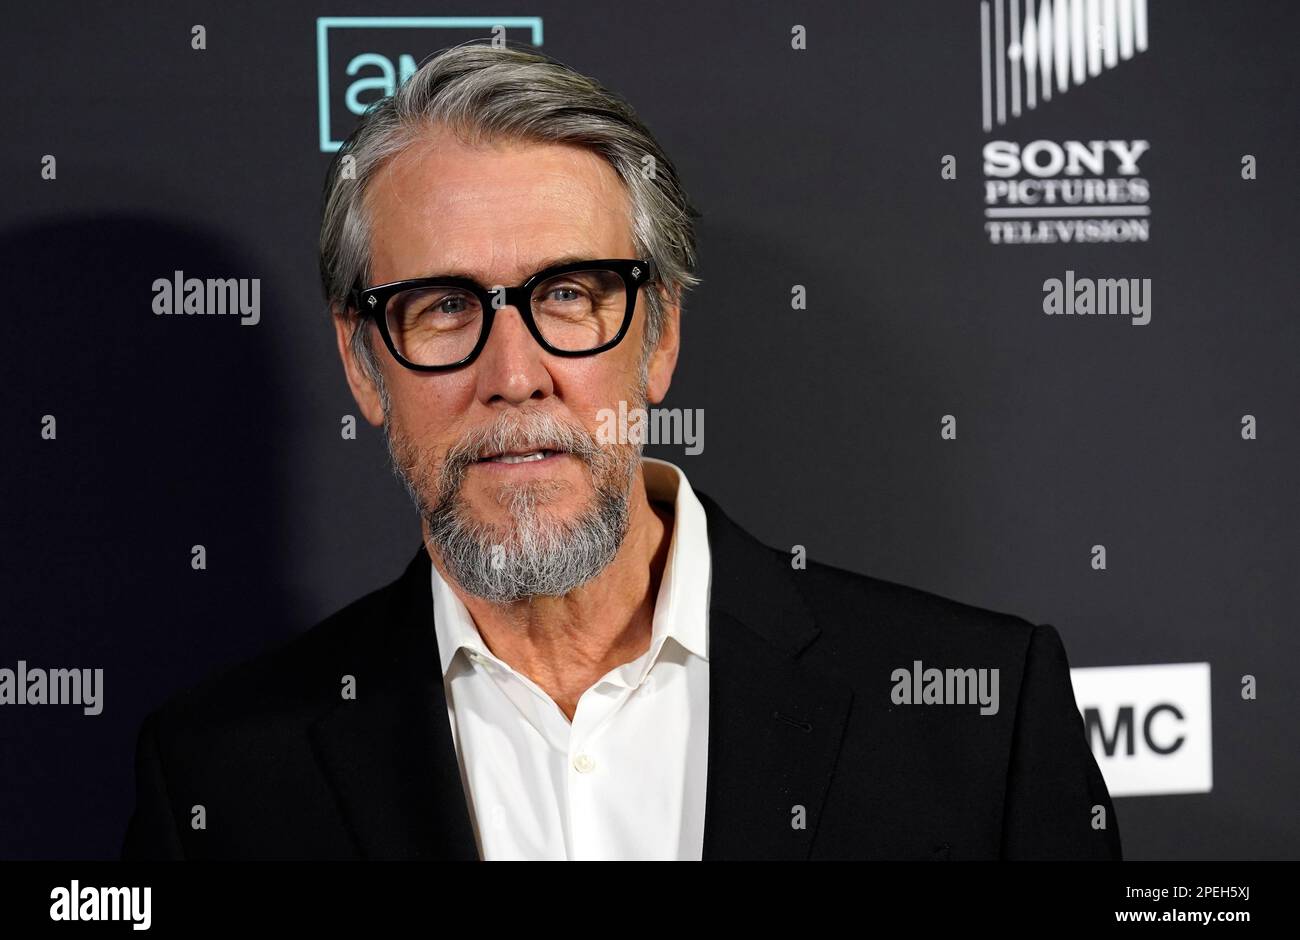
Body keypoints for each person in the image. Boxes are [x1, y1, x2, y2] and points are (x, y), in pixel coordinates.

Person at [123, 42, 1120, 860]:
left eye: (568, 295)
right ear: (360, 362)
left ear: (661, 337)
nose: (514, 373)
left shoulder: (979, 711)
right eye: (440, 307)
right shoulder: (220, 773)